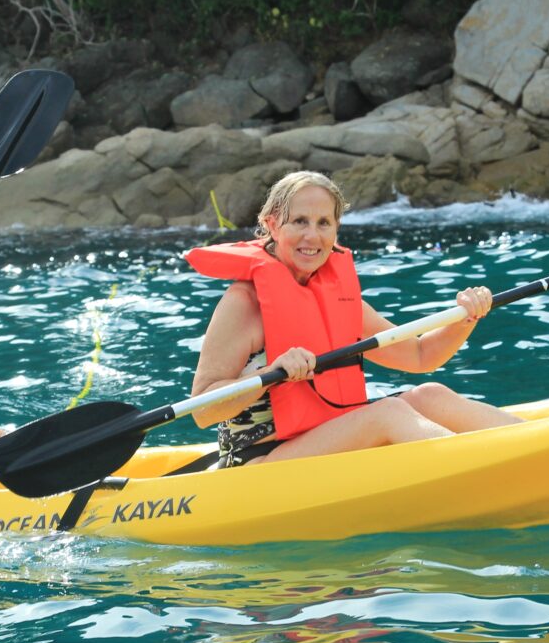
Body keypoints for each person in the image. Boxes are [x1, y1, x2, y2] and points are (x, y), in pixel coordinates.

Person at [187, 171, 522, 468]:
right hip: (258, 460)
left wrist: (465, 319)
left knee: (428, 395)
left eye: (324, 223)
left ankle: (532, 445)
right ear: (272, 224)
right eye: (299, 221)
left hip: (329, 440)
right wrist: (270, 372)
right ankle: (484, 468)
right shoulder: (243, 304)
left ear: (336, 229)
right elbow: (203, 410)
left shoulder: (339, 300)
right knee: (388, 413)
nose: (312, 236)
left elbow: (420, 356)